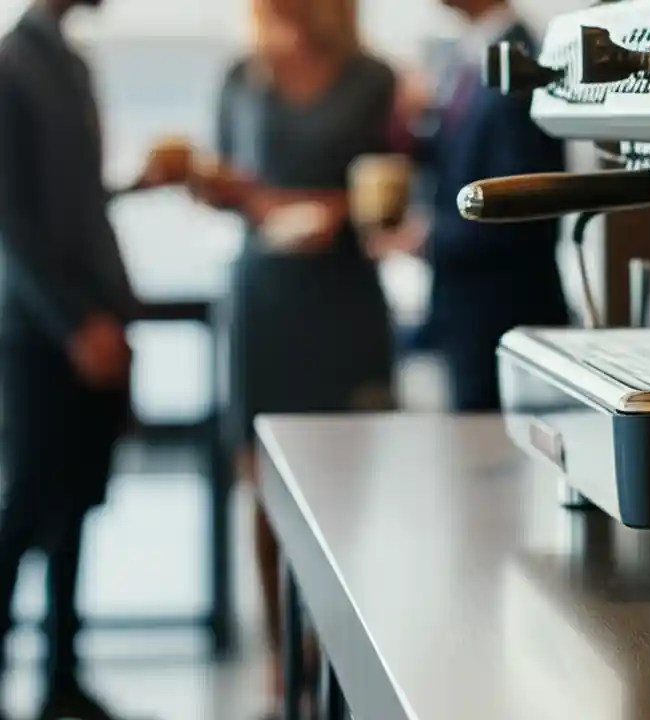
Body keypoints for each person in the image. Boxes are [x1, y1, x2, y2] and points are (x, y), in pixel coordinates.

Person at [187, 0, 400, 713]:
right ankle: (280, 661)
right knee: (262, 479)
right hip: (265, 296)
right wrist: (224, 192)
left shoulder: (373, 78)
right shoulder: (241, 76)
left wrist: (339, 211)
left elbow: (397, 184)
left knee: (350, 481)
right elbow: (224, 179)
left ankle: (336, 652)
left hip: (342, 294)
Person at [0, 1, 190, 718]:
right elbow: (12, 221)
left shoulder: (69, 64)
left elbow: (70, 204)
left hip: (96, 320)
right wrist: (76, 325)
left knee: (75, 505)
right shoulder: (13, 66)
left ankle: (60, 679)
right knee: (28, 505)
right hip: (44, 334)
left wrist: (133, 185)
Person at [392, 0, 569, 411]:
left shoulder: (523, 61)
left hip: (505, 309)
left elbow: (522, 202)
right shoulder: (467, 54)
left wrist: (429, 237)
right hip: (466, 306)